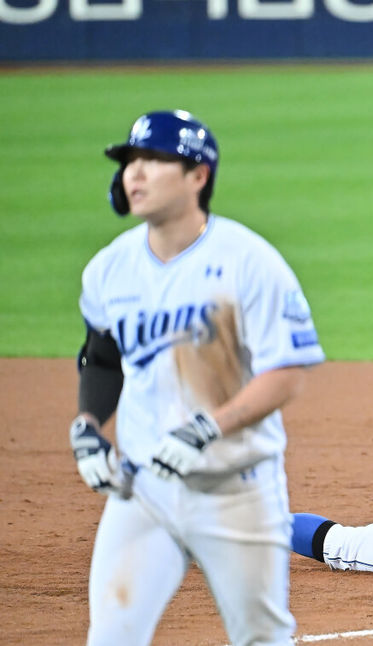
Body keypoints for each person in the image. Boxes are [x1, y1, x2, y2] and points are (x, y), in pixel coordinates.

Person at [69, 110, 325, 645]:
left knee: (261, 638)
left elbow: (287, 373)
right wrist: (90, 424)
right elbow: (103, 357)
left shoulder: (249, 262)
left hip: (237, 490)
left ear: (198, 177)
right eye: (130, 161)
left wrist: (208, 427)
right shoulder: (108, 270)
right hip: (144, 491)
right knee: (111, 636)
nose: (134, 173)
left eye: (154, 160)